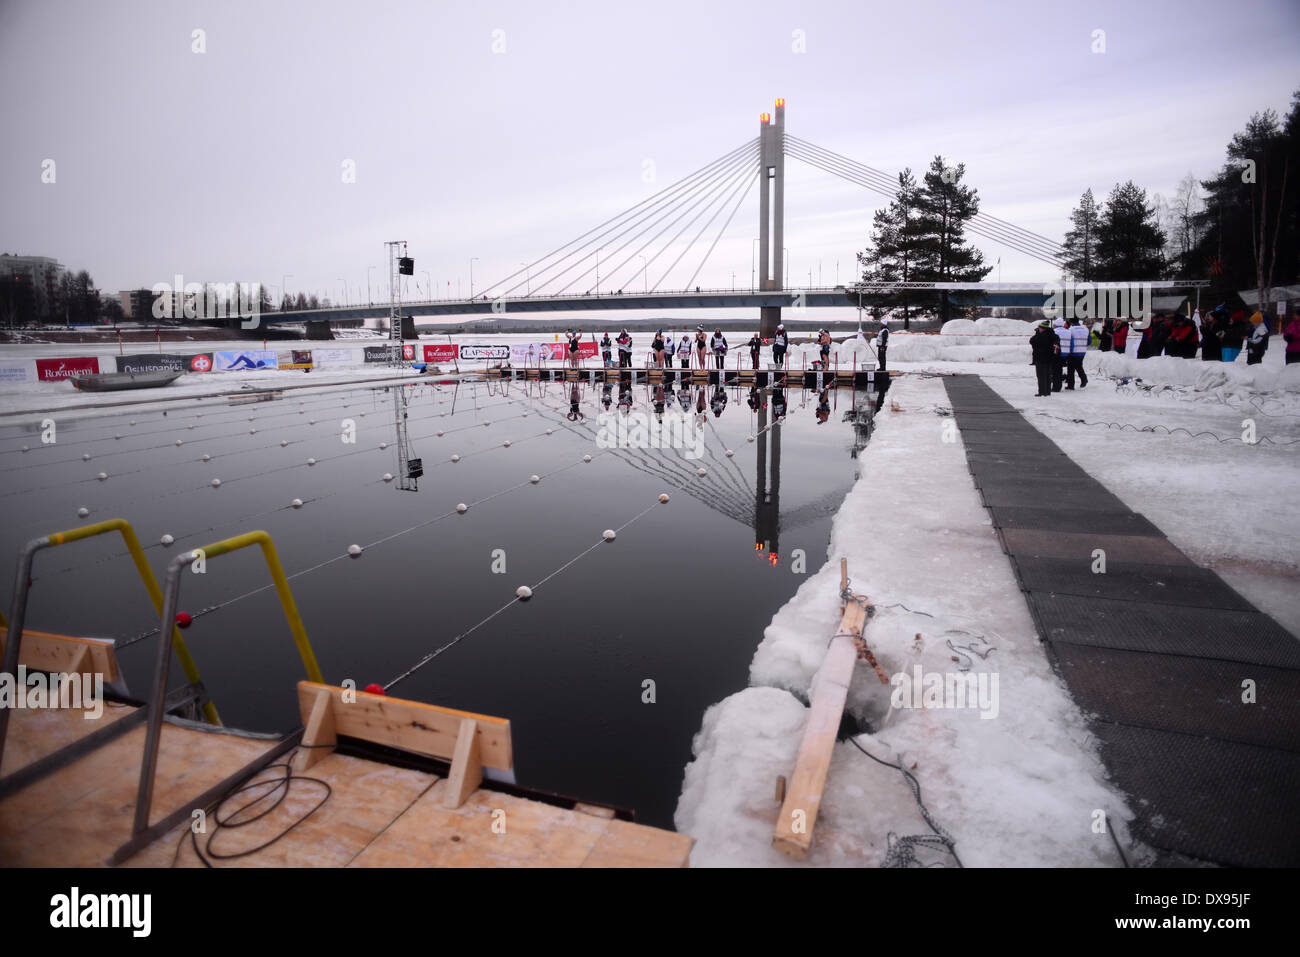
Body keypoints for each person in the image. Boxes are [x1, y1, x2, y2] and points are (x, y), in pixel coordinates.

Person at [1030, 319, 1059, 396]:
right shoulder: (1053, 335)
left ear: (1043, 328)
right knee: (1047, 375)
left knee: (1041, 376)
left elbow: (1032, 341)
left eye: (1040, 328)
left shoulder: (1040, 336)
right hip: (1049, 358)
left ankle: (1042, 392)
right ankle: (1047, 391)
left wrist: (1037, 334)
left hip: (1040, 358)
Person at [1063, 317, 1089, 389]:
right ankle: (1084, 379)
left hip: (1073, 352)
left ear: (1071, 322)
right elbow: (1089, 341)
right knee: (1079, 366)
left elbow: (1069, 341)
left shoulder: (1070, 330)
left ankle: (1071, 385)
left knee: (1071, 369)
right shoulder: (1085, 329)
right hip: (1082, 352)